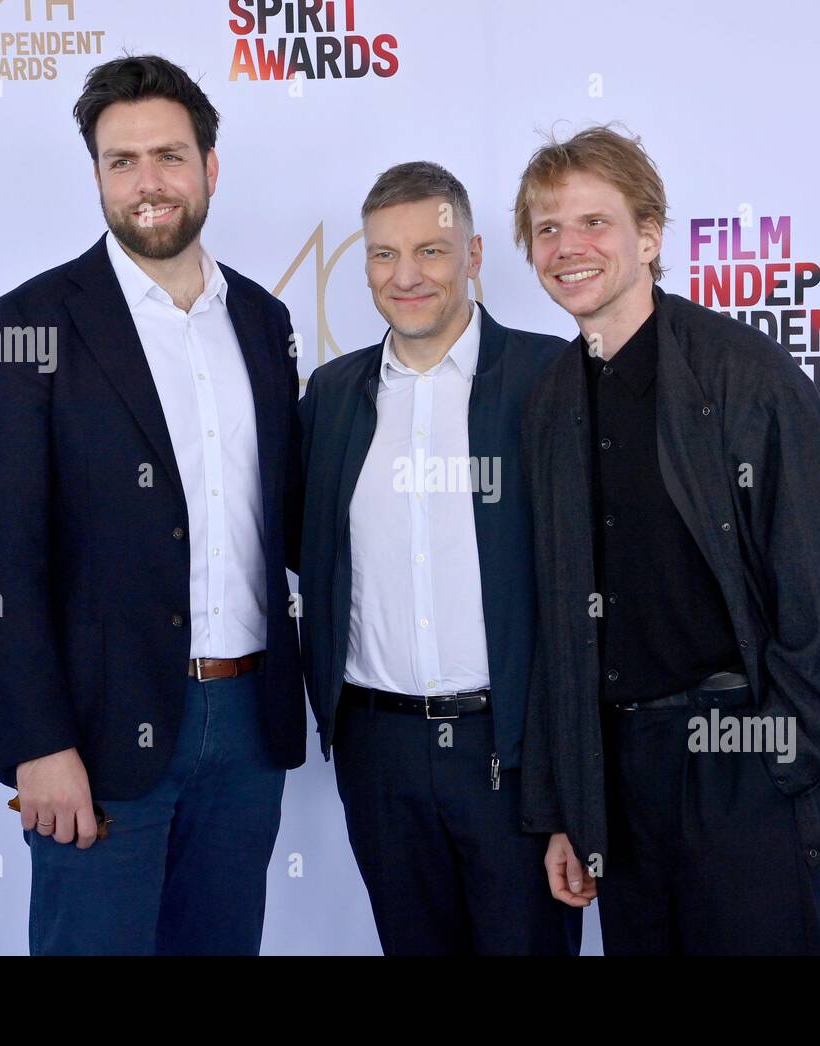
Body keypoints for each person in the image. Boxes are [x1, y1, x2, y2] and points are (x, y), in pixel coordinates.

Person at [512, 125, 820, 955]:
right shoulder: (550, 401)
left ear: (649, 237)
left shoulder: (741, 373)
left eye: (594, 222)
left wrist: (782, 770)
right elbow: (556, 624)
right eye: (547, 229)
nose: (568, 248)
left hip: (741, 753)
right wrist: (566, 808)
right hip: (617, 777)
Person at [0, 55, 305, 955]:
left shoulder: (263, 323)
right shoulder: (25, 323)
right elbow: (0, 557)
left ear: (210, 167)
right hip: (98, 738)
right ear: (98, 176)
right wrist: (37, 745)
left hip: (249, 727)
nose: (148, 184)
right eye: (122, 162)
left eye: (168, 156)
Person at [296, 161, 580, 955]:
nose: (406, 275)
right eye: (384, 254)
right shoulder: (331, 395)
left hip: (512, 752)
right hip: (377, 752)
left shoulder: (551, 379)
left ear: (475, 255)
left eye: (431, 250)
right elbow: (303, 549)